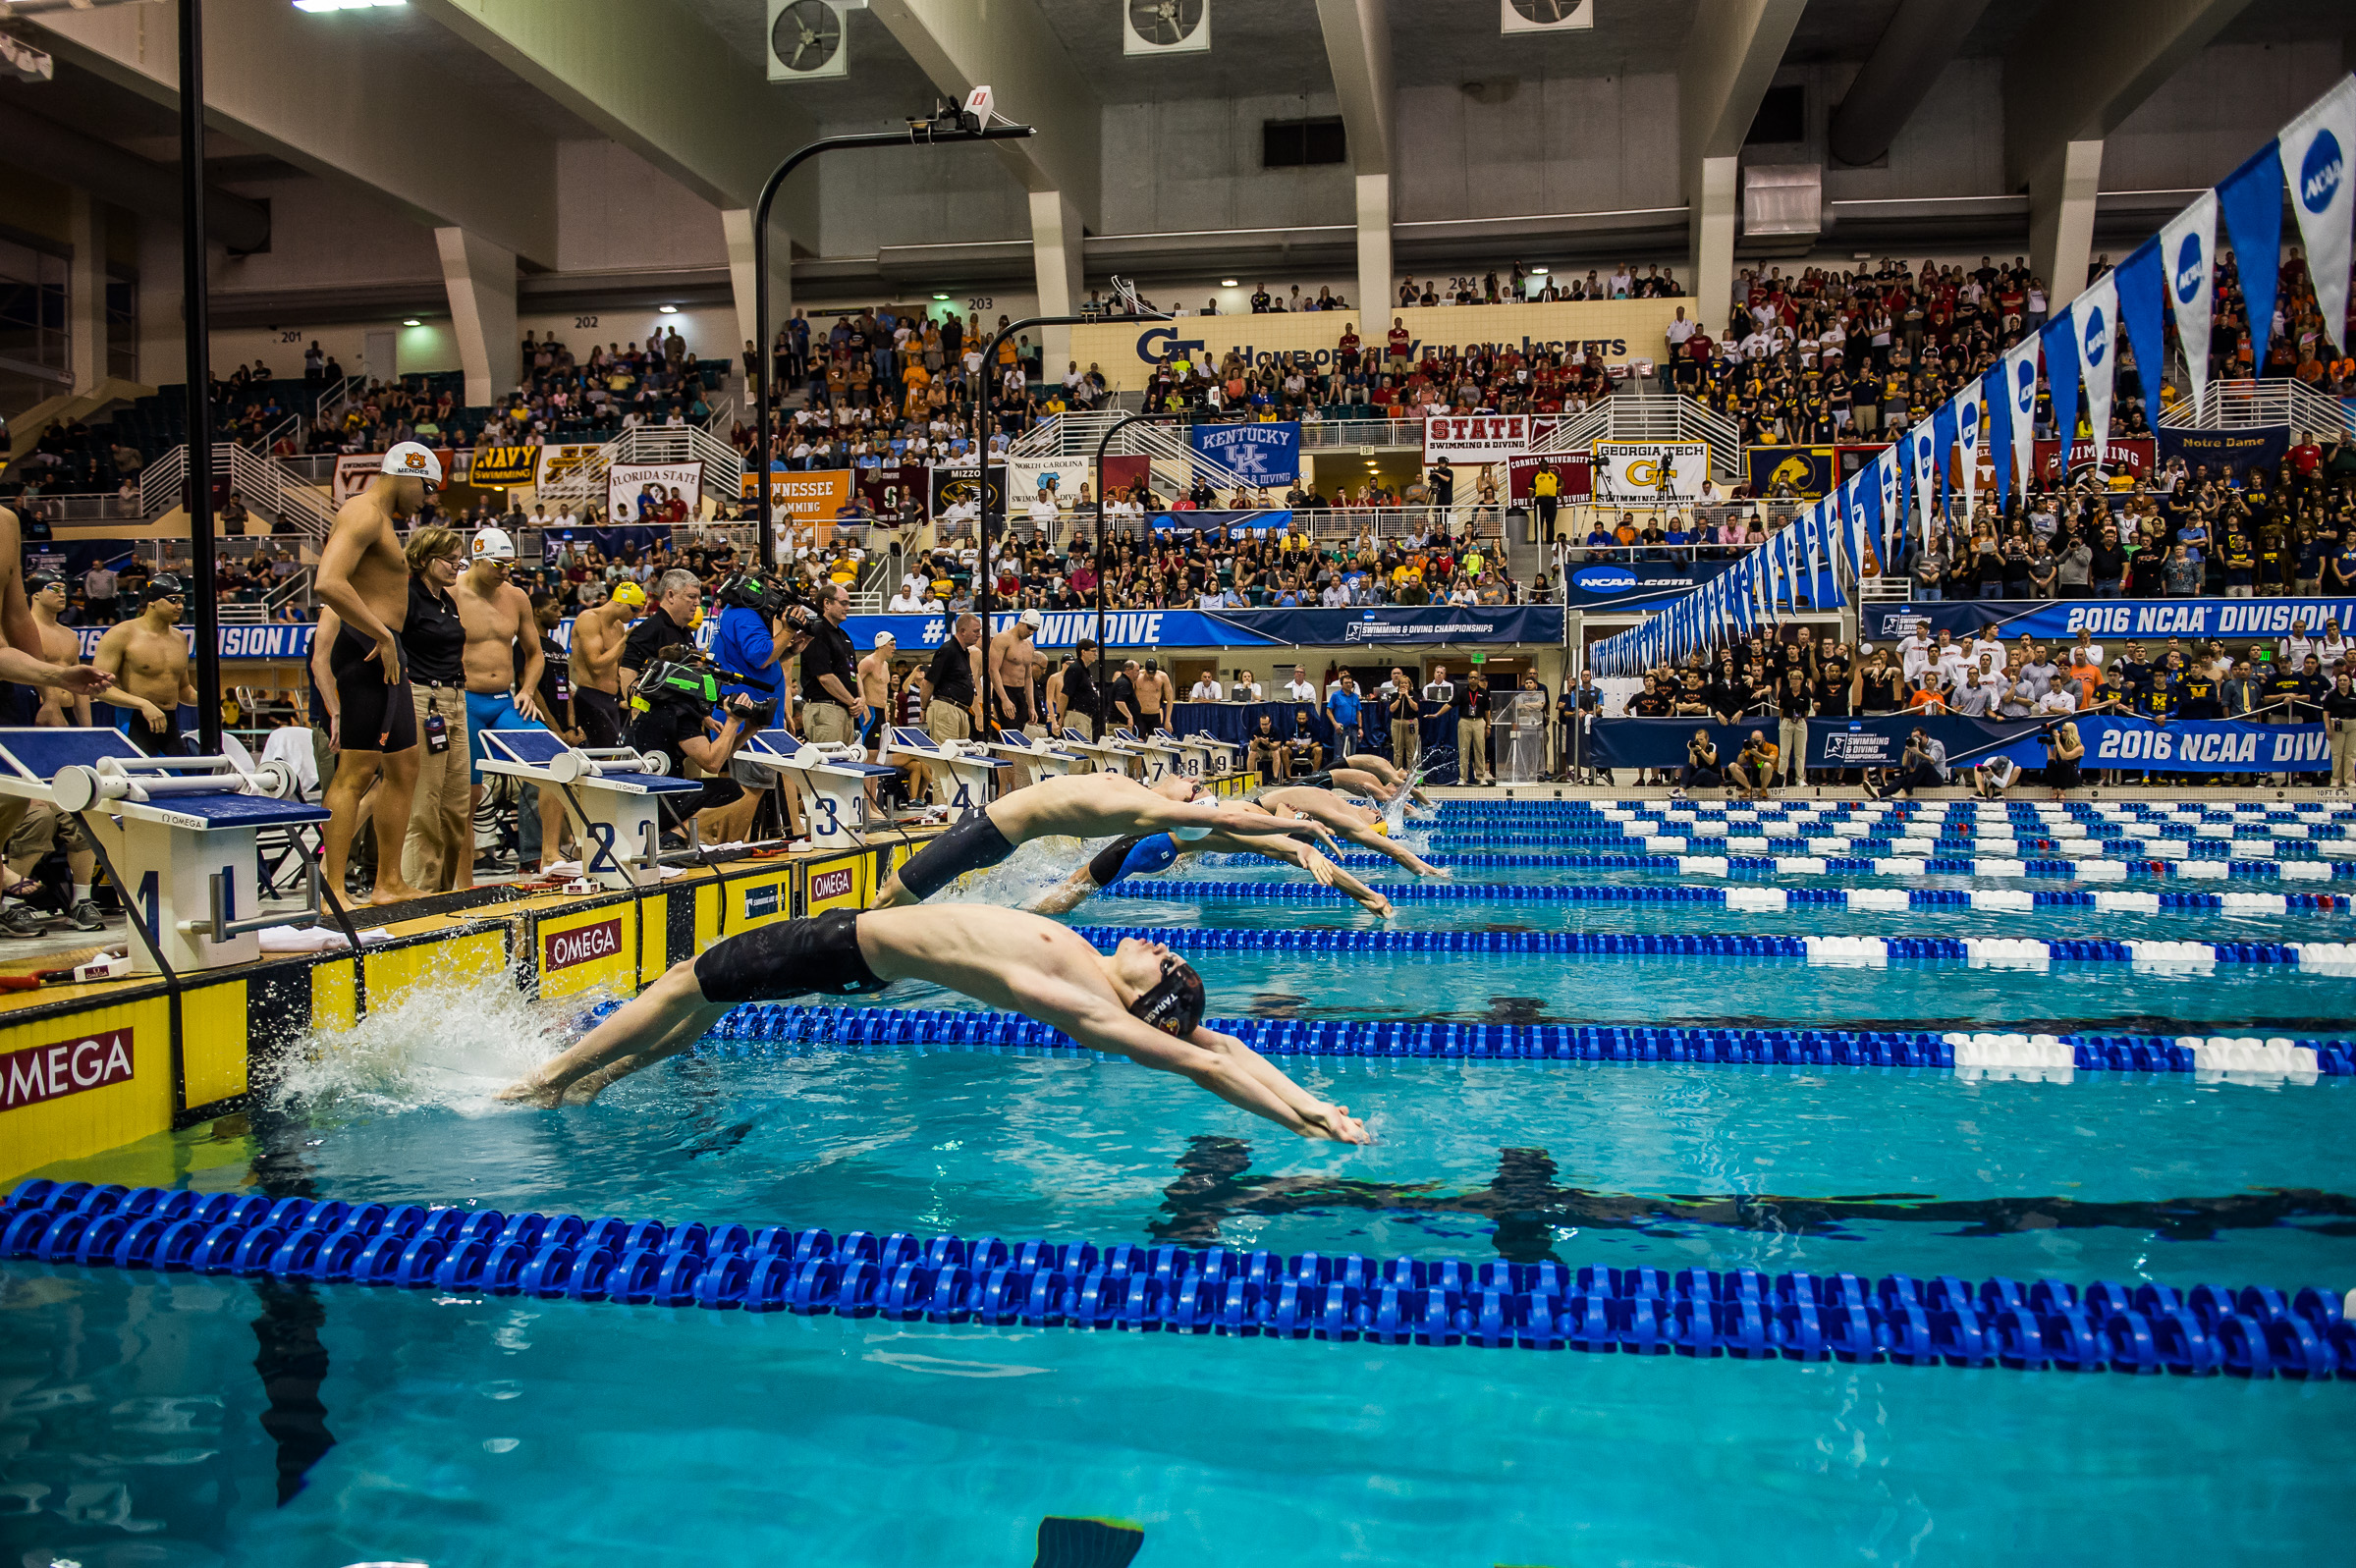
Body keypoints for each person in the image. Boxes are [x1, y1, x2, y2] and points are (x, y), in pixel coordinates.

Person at [498, 908, 1369, 1140]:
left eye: (1168, 966)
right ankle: (592, 1080)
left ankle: (540, 1082)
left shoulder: (1085, 1005)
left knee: (685, 981)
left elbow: (1202, 1066)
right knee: (703, 999)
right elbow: (1225, 1044)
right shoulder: (1098, 972)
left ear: (1149, 1003)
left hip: (842, 947)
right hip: (853, 952)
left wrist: (1298, 1123)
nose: (1159, 948)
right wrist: (1320, 1104)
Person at [870, 773, 1328, 908]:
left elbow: (1230, 819)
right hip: (994, 831)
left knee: (893, 897)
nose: (1189, 779)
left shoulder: (1149, 810)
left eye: (1192, 792)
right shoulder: (1139, 790)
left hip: (988, 831)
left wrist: (1301, 832)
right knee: (908, 897)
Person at [315, 441, 437, 903]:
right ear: (407, 474)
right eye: (425, 487)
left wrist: (392, 641)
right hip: (367, 649)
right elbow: (328, 581)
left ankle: (388, 883)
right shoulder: (363, 513)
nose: (425, 498)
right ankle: (333, 889)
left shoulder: (384, 523)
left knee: (405, 768)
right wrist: (381, 635)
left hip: (388, 650)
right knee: (355, 773)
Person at [1032, 795, 1394, 920]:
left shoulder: (1260, 830)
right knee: (1065, 895)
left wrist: (1368, 895)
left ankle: (1020, 915)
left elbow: (1299, 851)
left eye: (1296, 818)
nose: (1294, 811)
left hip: (1141, 848)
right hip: (1153, 847)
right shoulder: (1256, 813)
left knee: (1058, 903)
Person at [453, 527, 560, 884]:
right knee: (468, 793)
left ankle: (550, 856)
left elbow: (535, 654)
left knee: (556, 765)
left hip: (503, 702)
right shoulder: (451, 594)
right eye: (498, 564)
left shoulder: (515, 597)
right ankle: (462, 876)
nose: (505, 571)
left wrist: (527, 690)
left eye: (509, 565)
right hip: (464, 701)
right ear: (478, 558)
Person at [393, 527, 473, 892]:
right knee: (425, 806)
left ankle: (442, 893)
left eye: (460, 560)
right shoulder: (406, 595)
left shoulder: (448, 601)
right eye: (450, 560)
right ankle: (417, 894)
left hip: (456, 700)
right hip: (424, 699)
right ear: (425, 559)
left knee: (456, 807)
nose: (457, 566)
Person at [90, 574, 194, 757]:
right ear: (152, 601)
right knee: (141, 779)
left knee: (184, 781)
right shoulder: (121, 634)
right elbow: (99, 688)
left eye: (182, 600)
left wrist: (211, 704)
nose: (179, 606)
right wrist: (143, 704)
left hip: (169, 724)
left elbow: (184, 690)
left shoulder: (180, 639)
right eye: (173, 600)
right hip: (134, 720)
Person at [568, 580, 642, 747]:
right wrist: (624, 641)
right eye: (634, 609)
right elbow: (595, 664)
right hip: (591, 697)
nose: (636, 615)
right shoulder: (588, 619)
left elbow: (620, 667)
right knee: (605, 756)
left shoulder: (618, 626)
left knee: (615, 755)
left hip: (612, 700)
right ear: (619, 603)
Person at [619, 569, 702, 698]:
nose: (697, 603)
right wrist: (637, 710)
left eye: (698, 597)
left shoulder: (684, 632)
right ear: (670, 596)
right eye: (691, 597)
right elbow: (627, 671)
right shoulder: (649, 629)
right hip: (658, 714)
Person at [921, 613, 982, 741]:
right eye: (976, 631)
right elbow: (927, 682)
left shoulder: (964, 652)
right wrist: (923, 709)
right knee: (947, 755)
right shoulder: (948, 650)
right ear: (963, 631)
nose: (979, 635)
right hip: (946, 709)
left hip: (961, 710)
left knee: (961, 756)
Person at [989, 608, 1050, 735]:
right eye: (1029, 628)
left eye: (1035, 630)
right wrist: (1004, 699)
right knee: (1010, 734)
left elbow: (1028, 677)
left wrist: (1032, 706)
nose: (1031, 632)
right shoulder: (1002, 639)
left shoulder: (1029, 646)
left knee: (1020, 735)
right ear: (1021, 622)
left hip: (1021, 693)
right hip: (1006, 690)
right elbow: (993, 670)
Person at [1866, 727, 1948, 798]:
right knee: (1903, 779)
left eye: (1917, 737)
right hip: (1924, 778)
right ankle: (1879, 792)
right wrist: (1907, 750)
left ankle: (1906, 791)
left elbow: (1932, 760)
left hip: (1937, 779)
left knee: (1925, 763)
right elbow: (1905, 764)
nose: (1916, 740)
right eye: (1913, 738)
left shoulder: (1936, 744)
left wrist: (1918, 753)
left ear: (1924, 736)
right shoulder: (1916, 747)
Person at [1385, 668, 1420, 770]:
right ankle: (1397, 772)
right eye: (1402, 684)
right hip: (1397, 722)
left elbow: (1416, 708)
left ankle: (1411, 771)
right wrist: (1400, 697)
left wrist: (1408, 696)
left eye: (1406, 683)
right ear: (1398, 685)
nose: (1404, 685)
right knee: (1398, 750)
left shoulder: (1414, 695)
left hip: (1410, 722)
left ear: (1410, 685)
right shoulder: (1395, 695)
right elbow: (1391, 709)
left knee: (1411, 750)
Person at [2040, 718, 2084, 796]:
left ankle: (2063, 791)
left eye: (2065, 731)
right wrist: (2048, 746)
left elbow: (2065, 757)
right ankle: (2055, 790)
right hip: (2060, 777)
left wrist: (2057, 741)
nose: (2063, 733)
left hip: (2072, 778)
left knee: (2064, 763)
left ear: (2071, 732)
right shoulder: (2060, 745)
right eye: (2062, 730)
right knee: (2050, 763)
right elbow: (2051, 759)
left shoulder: (2080, 747)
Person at [1734, 730, 1779, 800]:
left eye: (1758, 741)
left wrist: (1756, 754)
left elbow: (1772, 760)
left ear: (1763, 739)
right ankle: (1749, 789)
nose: (1756, 743)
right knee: (1732, 766)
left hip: (1769, 776)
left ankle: (1763, 789)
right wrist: (1744, 748)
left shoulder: (1772, 747)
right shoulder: (1750, 748)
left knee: (1767, 765)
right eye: (1753, 740)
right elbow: (1739, 762)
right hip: (1755, 774)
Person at [1678, 729, 1723, 793]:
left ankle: (1681, 789)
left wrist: (1701, 750)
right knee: (1688, 765)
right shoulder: (1696, 748)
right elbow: (1693, 764)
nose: (1699, 741)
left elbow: (1711, 761)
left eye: (1701, 739)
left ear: (1707, 739)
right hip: (1700, 779)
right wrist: (1691, 751)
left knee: (1703, 771)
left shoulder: (1711, 746)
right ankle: (1682, 789)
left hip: (1714, 779)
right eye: (1697, 740)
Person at [1246, 712, 1288, 780]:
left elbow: (1276, 746)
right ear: (1260, 724)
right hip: (1260, 751)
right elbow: (1252, 748)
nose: (1264, 726)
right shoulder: (1255, 730)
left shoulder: (1276, 730)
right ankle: (1250, 778)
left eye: (1266, 724)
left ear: (1270, 723)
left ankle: (1275, 778)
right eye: (1262, 724)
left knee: (1276, 752)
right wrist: (1256, 742)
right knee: (1251, 753)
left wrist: (1268, 743)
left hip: (1271, 750)